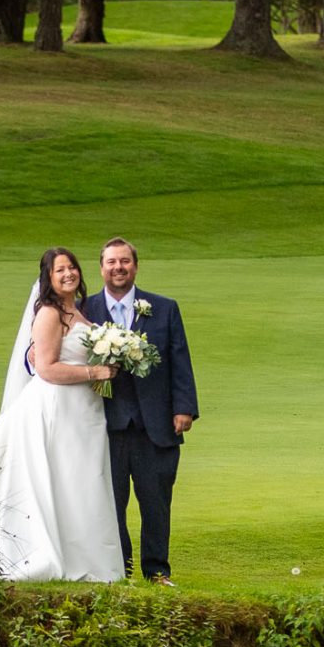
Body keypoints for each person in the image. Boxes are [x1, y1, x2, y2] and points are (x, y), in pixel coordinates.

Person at [0, 248, 126, 582]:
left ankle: (89, 559)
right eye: (60, 270)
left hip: (84, 410)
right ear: (49, 279)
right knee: (60, 475)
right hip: (57, 406)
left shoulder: (80, 314)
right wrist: (94, 373)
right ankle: (52, 553)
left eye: (72, 267)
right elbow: (46, 368)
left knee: (81, 479)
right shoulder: (50, 314)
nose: (69, 274)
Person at [83, 239, 199, 585]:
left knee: (156, 502)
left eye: (125, 262)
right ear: (101, 268)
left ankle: (157, 571)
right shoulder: (83, 310)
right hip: (105, 425)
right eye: (111, 262)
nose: (118, 268)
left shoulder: (163, 308)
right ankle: (120, 568)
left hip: (157, 424)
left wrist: (184, 409)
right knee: (110, 504)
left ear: (135, 266)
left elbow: (180, 359)